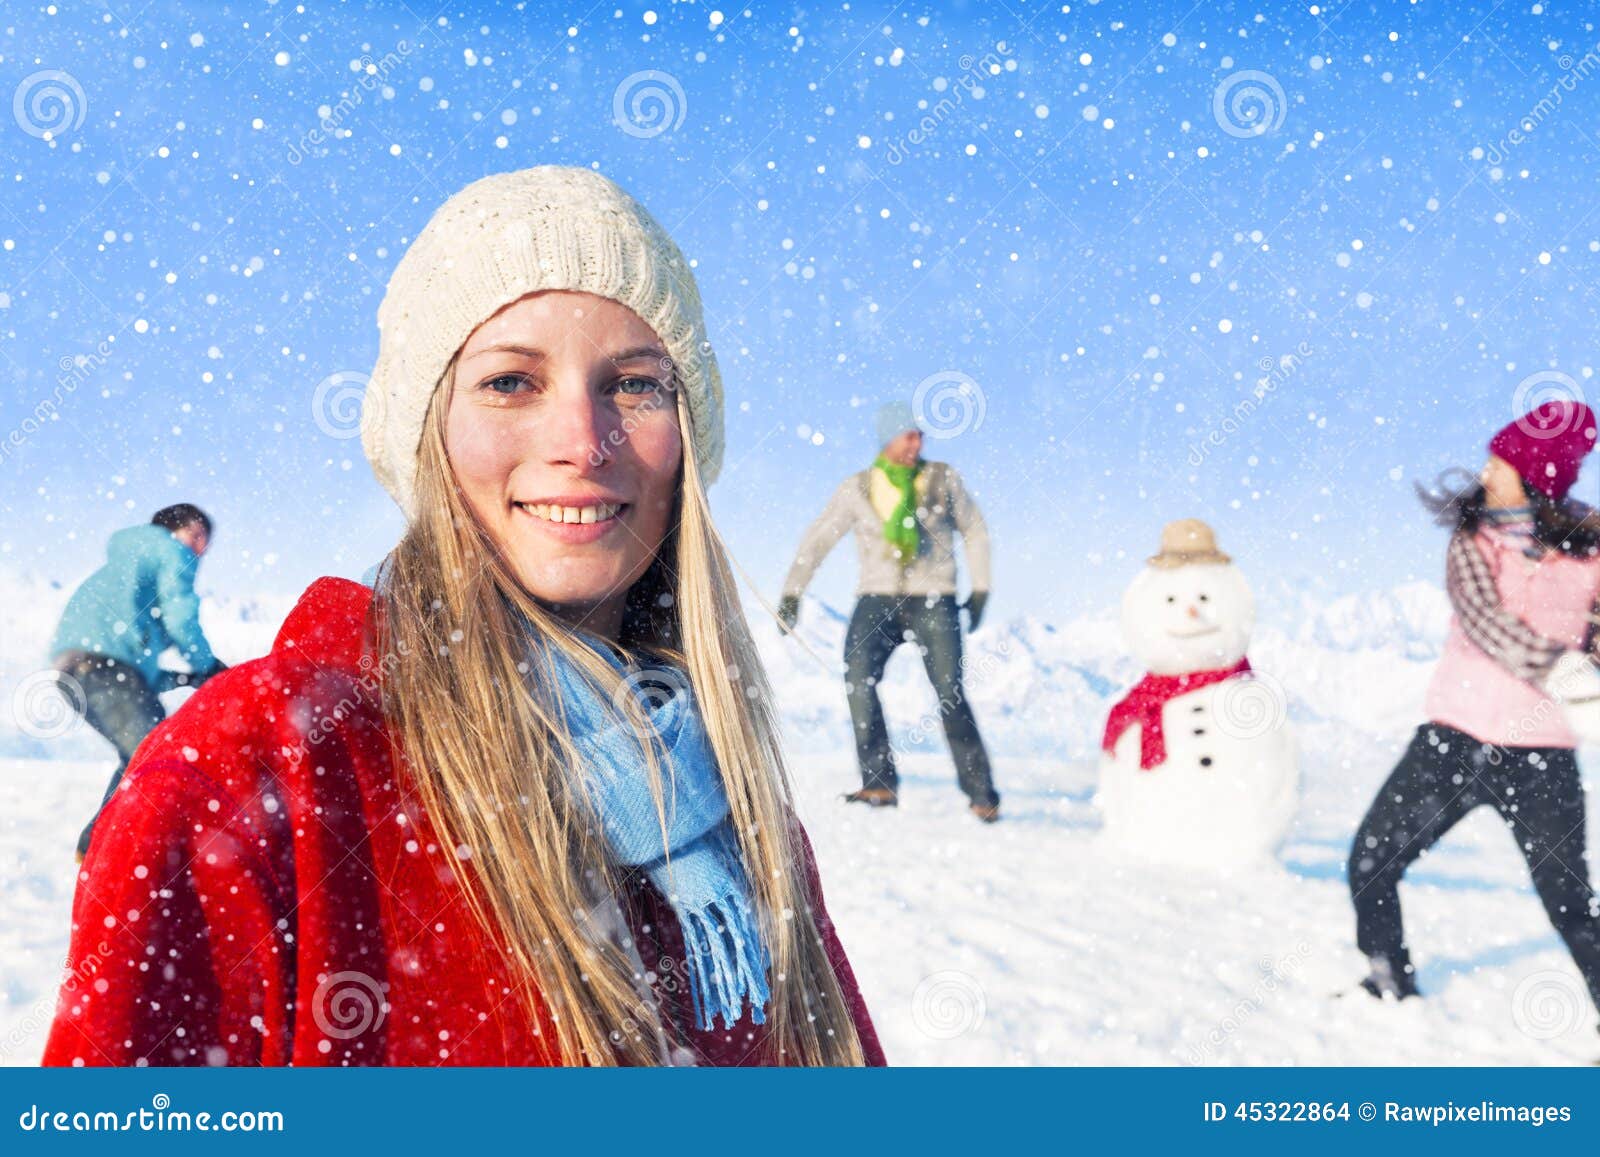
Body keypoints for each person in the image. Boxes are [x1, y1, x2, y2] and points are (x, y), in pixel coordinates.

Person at [43, 166, 884, 1068]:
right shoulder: (248, 774)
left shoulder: (732, 803)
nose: (581, 439)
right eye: (512, 382)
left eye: (635, 385)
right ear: (428, 428)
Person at [1347, 400, 1600, 1035]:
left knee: (1571, 905)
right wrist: (1560, 669)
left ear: (1534, 472)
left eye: (1502, 460)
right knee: (1372, 862)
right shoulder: (1473, 539)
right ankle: (1386, 980)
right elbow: (1486, 622)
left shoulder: (1591, 550)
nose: (1488, 471)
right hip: (1452, 742)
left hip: (1541, 754)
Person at [778, 402, 999, 822]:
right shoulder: (857, 488)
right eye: (908, 434)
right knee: (858, 679)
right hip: (876, 598)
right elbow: (819, 538)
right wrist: (792, 593)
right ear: (888, 438)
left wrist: (981, 588)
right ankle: (878, 782)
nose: (917, 442)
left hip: (934, 595)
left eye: (920, 435)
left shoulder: (942, 479)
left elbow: (975, 530)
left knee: (949, 692)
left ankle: (981, 793)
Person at [48, 503, 227, 862]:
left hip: (75, 673)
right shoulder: (169, 550)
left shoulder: (128, 570)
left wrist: (182, 677)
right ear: (179, 529)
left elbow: (133, 673)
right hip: (103, 668)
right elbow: (181, 618)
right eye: (199, 536)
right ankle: (110, 853)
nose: (201, 550)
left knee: (141, 753)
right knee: (157, 752)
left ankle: (98, 848)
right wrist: (210, 667)